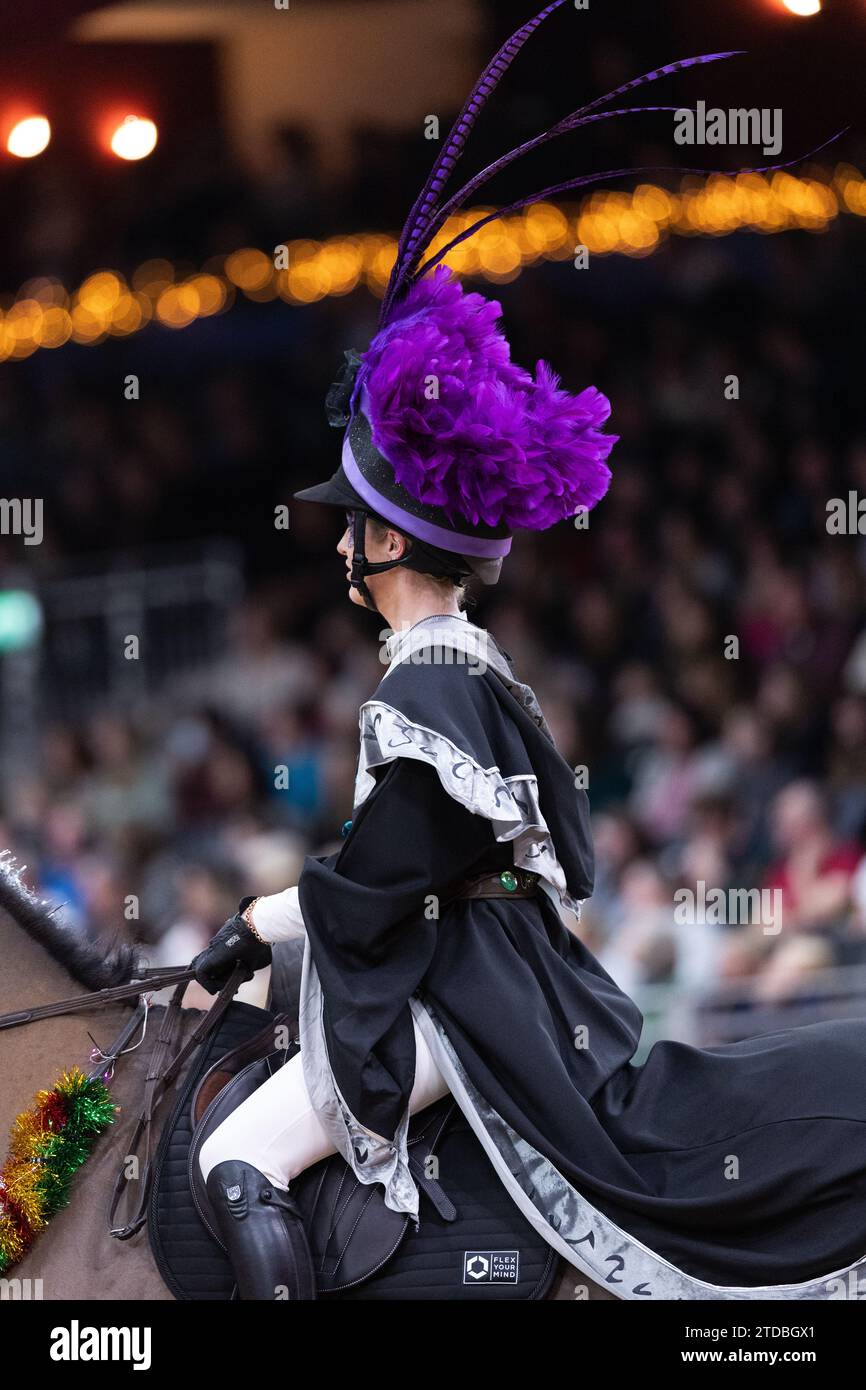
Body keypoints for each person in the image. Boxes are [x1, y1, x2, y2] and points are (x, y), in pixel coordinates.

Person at [192, 5, 866, 1302]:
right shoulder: (459, 667)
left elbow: (394, 870)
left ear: (383, 548)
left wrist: (260, 919)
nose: (336, 552)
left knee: (236, 1160)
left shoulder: (434, 675)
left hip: (480, 1000)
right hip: (508, 972)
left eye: (349, 533)